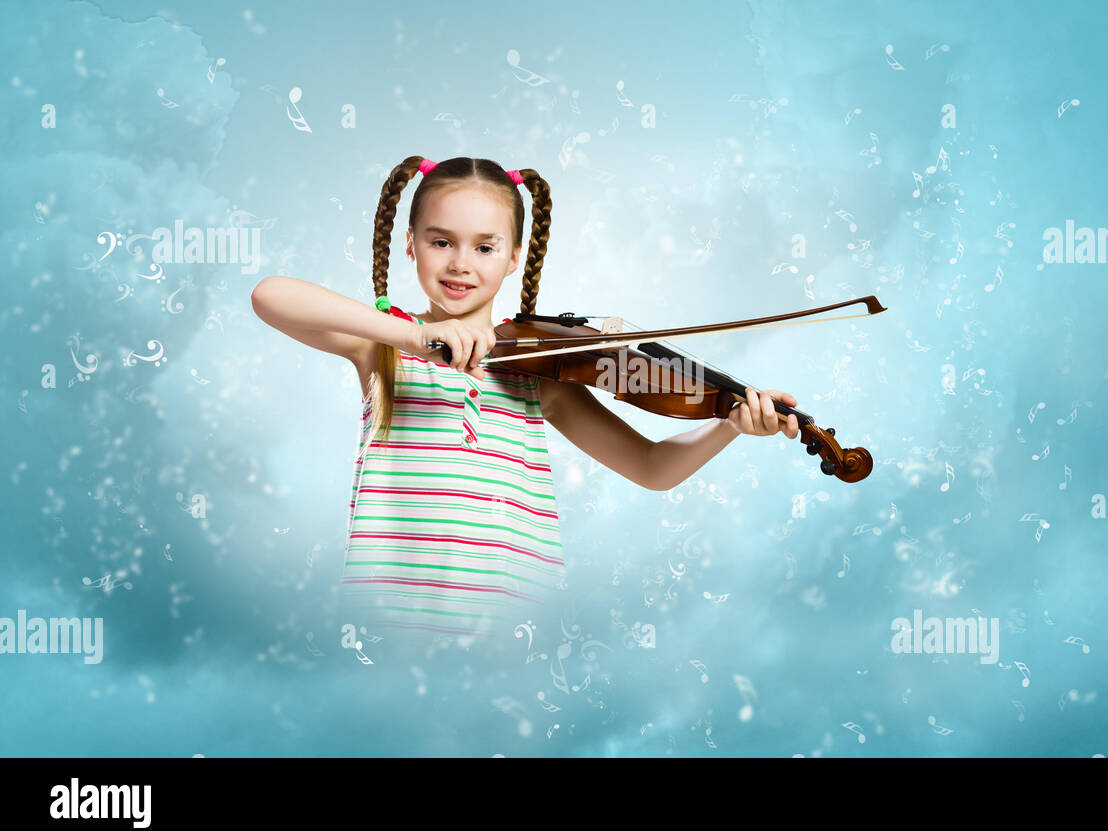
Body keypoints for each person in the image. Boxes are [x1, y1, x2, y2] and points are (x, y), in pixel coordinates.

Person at [250, 156, 799, 641]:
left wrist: (729, 422)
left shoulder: (539, 373)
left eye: (485, 247)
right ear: (411, 243)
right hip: (392, 622)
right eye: (441, 241)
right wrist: (414, 336)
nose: (461, 263)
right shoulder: (384, 346)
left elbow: (652, 468)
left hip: (512, 634)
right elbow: (270, 296)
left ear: (514, 256)